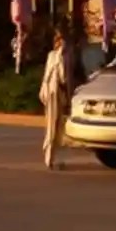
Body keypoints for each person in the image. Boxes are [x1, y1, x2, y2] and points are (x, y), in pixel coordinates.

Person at [40, 32, 74, 170]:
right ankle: (49, 156)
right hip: (54, 92)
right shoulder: (56, 56)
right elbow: (62, 76)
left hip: (55, 93)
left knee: (58, 126)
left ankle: (52, 156)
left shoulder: (59, 55)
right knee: (53, 125)